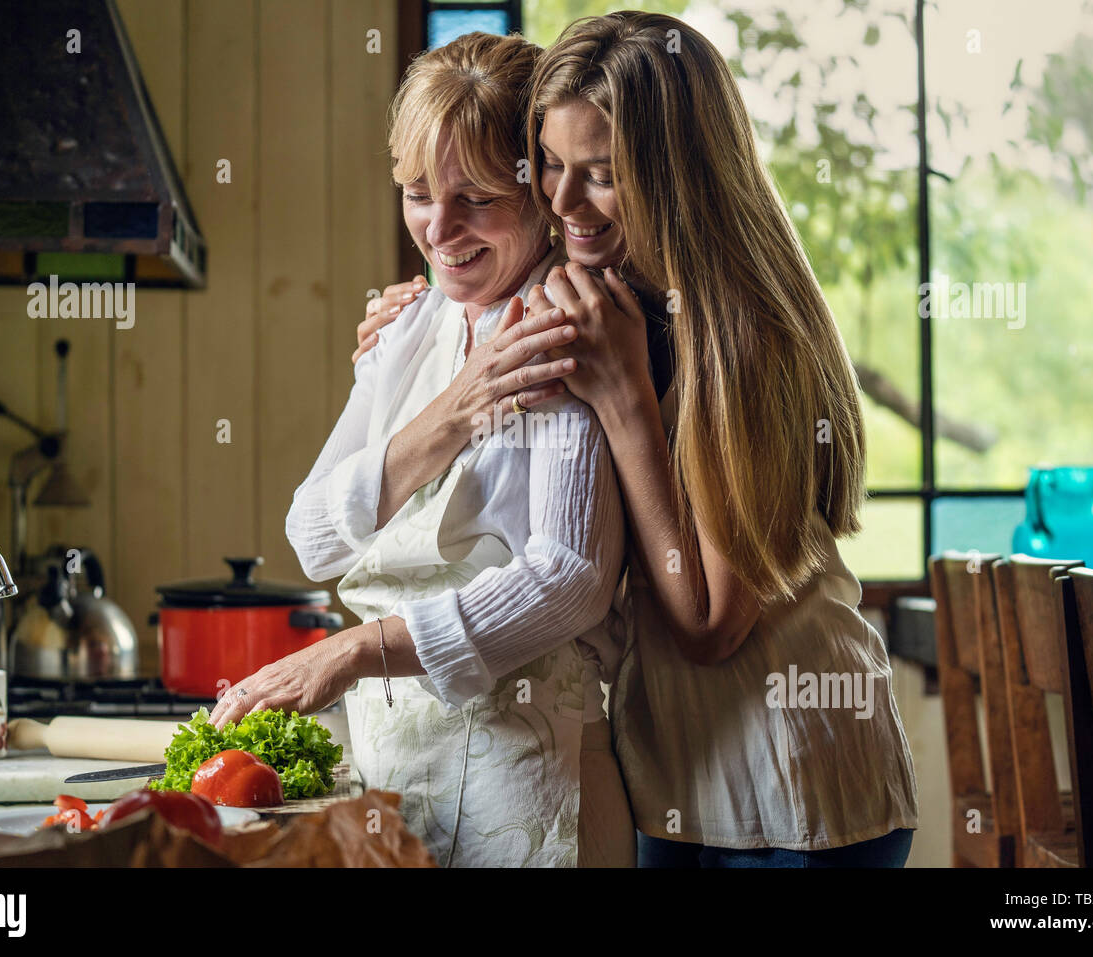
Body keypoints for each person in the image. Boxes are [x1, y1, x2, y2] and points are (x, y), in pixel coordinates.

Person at [358, 13, 919, 868]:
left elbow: (707, 624)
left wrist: (625, 401)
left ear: (677, 176)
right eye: (547, 163)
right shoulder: (624, 302)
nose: (562, 199)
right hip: (673, 772)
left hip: (790, 788)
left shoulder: (743, 336)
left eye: (603, 175)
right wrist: (418, 322)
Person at [209, 32, 635, 868]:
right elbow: (312, 532)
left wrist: (358, 648)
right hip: (395, 762)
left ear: (540, 188)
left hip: (526, 774)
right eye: (416, 192)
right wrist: (449, 415)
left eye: (475, 197)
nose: (438, 230)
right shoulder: (410, 324)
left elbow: (570, 578)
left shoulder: (563, 322)